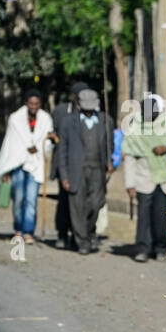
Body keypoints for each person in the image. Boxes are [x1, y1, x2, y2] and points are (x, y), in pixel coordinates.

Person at [121, 93, 166, 262]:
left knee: (162, 216)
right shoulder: (136, 125)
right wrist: (130, 183)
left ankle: (160, 248)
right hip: (144, 178)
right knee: (144, 216)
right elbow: (130, 157)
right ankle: (143, 248)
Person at [0, 89, 53, 244]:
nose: (34, 106)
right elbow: (10, 145)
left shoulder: (45, 119)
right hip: (18, 165)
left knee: (31, 199)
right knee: (19, 198)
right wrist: (6, 170)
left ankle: (28, 232)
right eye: (31, 103)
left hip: (35, 165)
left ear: (40, 104)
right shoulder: (15, 119)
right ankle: (18, 229)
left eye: (36, 104)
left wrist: (46, 142)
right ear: (26, 103)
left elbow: (48, 142)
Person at [55, 88, 113, 255]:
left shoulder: (105, 120)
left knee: (96, 203)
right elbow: (62, 151)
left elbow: (110, 145)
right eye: (85, 107)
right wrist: (64, 176)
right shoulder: (68, 122)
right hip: (76, 171)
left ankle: (87, 232)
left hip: (97, 170)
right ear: (79, 105)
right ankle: (83, 241)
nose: (88, 111)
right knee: (77, 207)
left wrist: (110, 162)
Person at [50, 81, 89, 249]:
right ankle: (62, 233)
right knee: (64, 200)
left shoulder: (90, 113)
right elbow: (52, 132)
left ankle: (77, 234)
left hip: (82, 165)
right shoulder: (60, 112)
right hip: (64, 163)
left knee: (80, 202)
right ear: (72, 97)